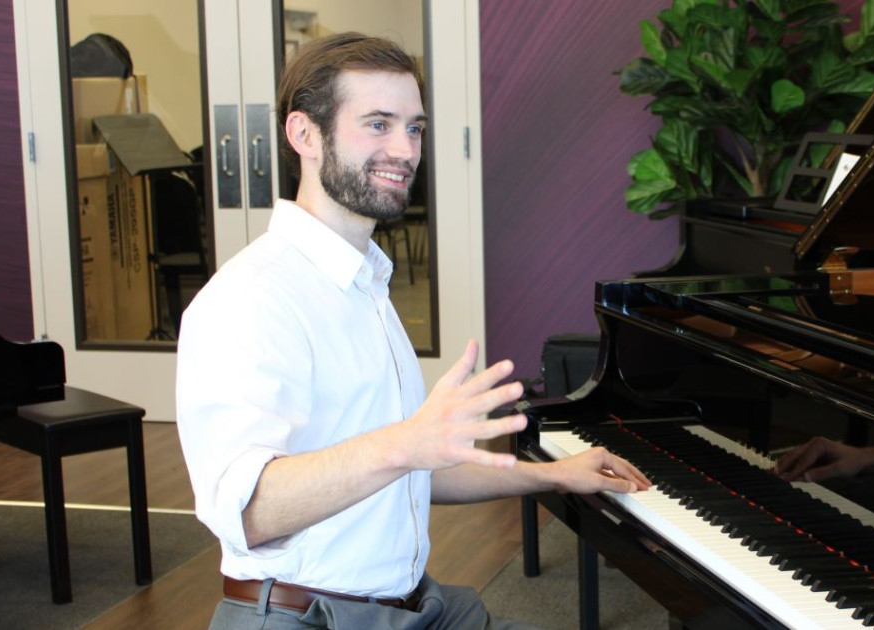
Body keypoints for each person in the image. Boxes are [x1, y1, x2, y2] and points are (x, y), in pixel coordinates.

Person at [176, 32, 650, 630]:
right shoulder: (249, 299)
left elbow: (410, 466)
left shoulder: (364, 281)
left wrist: (552, 474)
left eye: (415, 128)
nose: (405, 150)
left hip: (411, 605)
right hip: (306, 617)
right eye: (378, 124)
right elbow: (248, 512)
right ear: (304, 135)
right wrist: (406, 442)